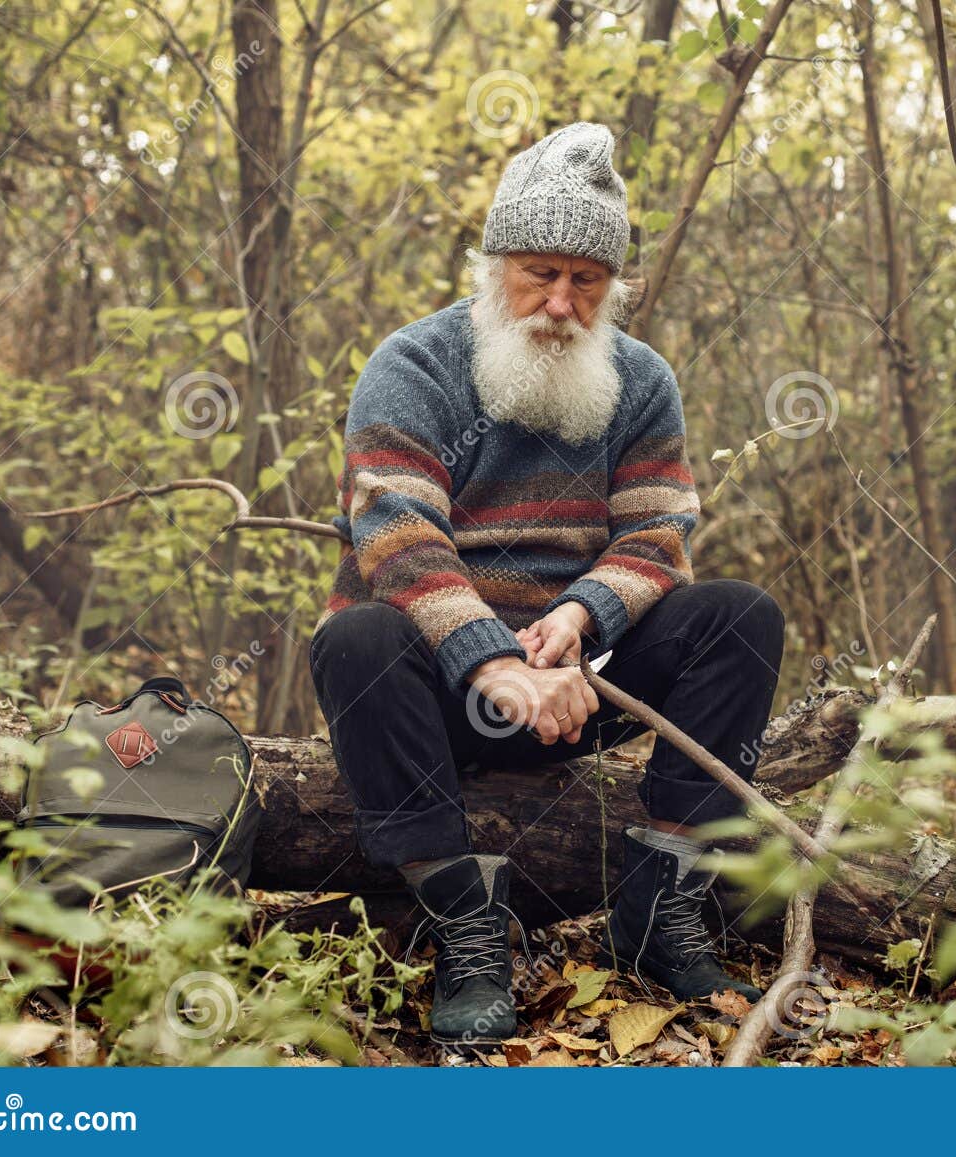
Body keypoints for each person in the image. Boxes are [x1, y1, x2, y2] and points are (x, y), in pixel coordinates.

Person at [309, 122, 783, 1053]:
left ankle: (662, 901)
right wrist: (491, 660)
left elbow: (659, 530)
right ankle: (465, 926)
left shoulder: (641, 379)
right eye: (539, 272)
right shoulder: (412, 365)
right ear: (495, 264)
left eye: (587, 280)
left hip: (576, 690)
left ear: (612, 288)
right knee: (355, 638)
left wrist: (580, 615)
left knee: (740, 616)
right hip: (436, 694)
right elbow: (399, 536)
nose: (561, 302)